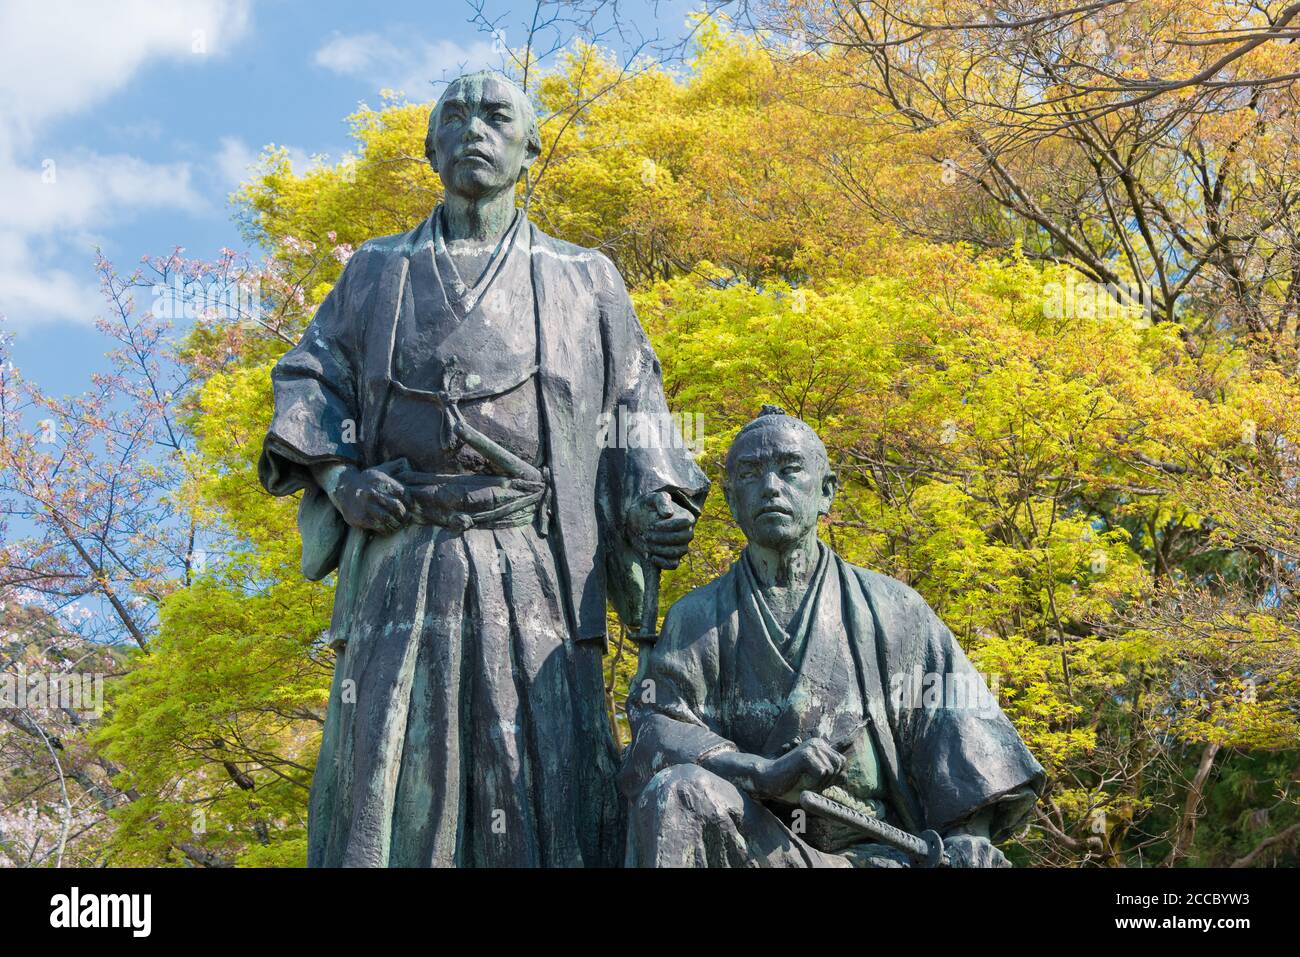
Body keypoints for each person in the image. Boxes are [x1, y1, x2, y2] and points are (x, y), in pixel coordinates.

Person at [259, 71, 708, 867]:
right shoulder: (375, 269)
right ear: (431, 147)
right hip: (406, 547)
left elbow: (635, 398)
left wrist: (655, 498)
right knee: (386, 763)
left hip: (536, 556)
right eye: (455, 116)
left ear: (530, 147)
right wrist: (340, 479)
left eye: (498, 116)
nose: (474, 128)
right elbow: (310, 376)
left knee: (541, 758)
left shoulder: (584, 276)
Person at [621, 406, 1043, 867]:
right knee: (677, 792)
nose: (770, 487)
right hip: (757, 842)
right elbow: (656, 731)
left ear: (826, 491)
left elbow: (962, 741)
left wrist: (968, 836)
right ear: (731, 499)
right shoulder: (698, 617)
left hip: (872, 853)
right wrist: (761, 772)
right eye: (750, 474)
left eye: (789, 470)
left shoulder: (894, 610)